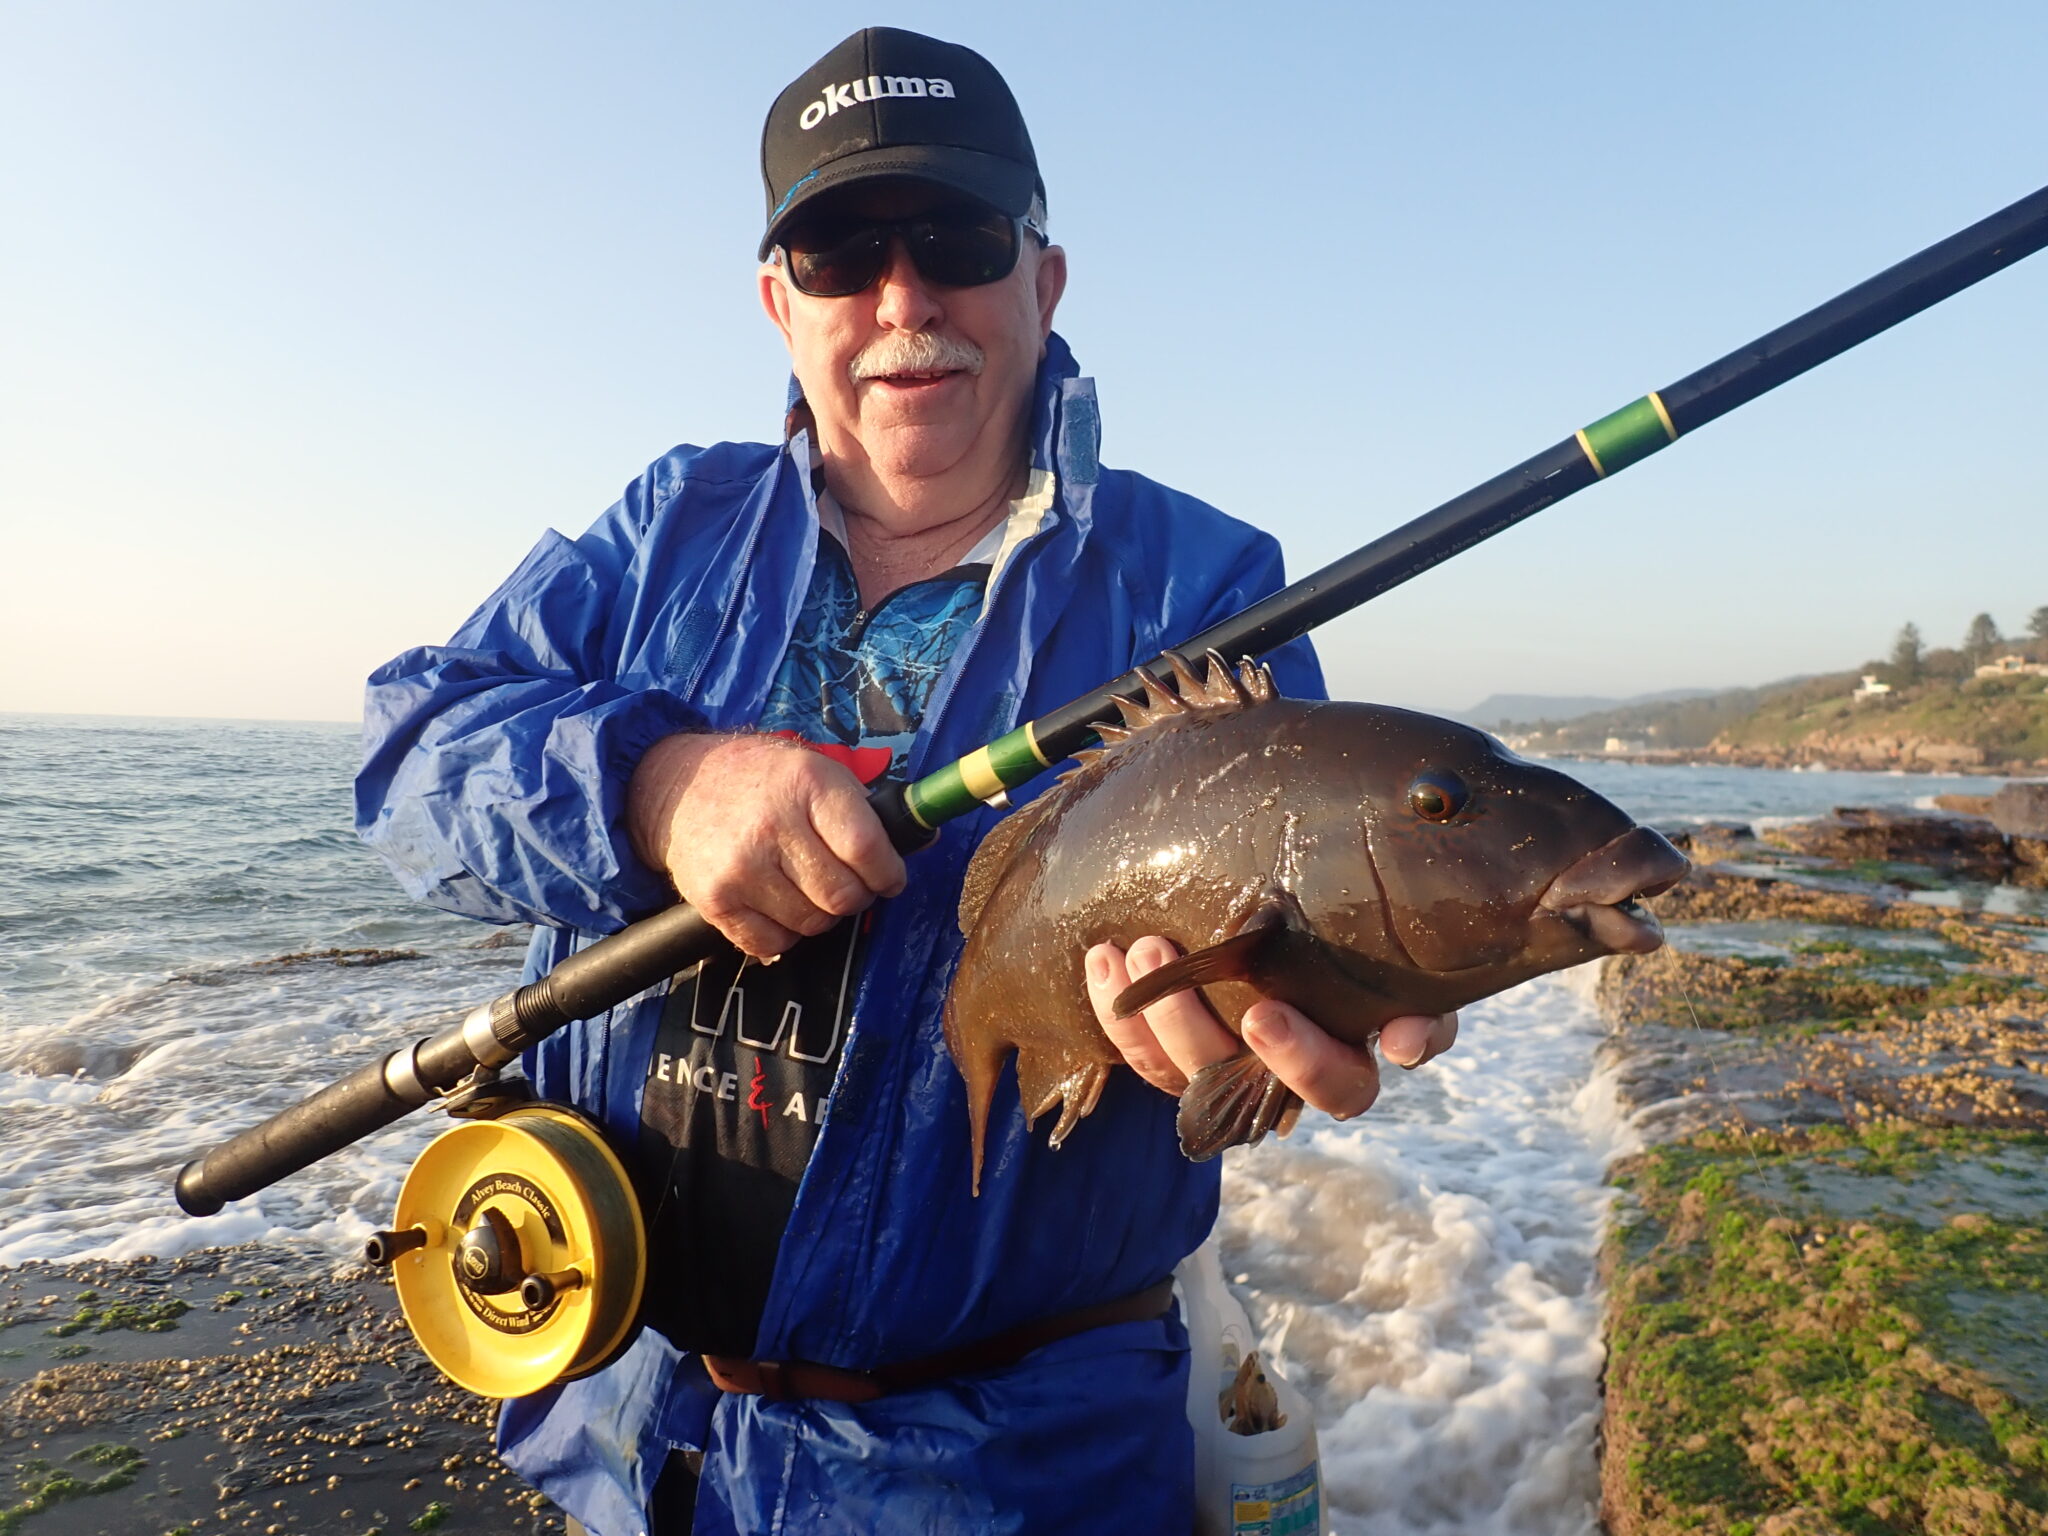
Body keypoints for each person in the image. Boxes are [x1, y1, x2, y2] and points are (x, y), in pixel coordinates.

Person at [356, 27, 1455, 1536]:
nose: (903, 299)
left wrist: (1267, 1020)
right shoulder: (667, 524)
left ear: (1044, 277)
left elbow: (1307, 889)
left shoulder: (1202, 586)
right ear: (775, 304)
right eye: (838, 251)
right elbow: (413, 749)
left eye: (956, 237)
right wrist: (654, 787)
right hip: (622, 1429)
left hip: (1003, 1473)